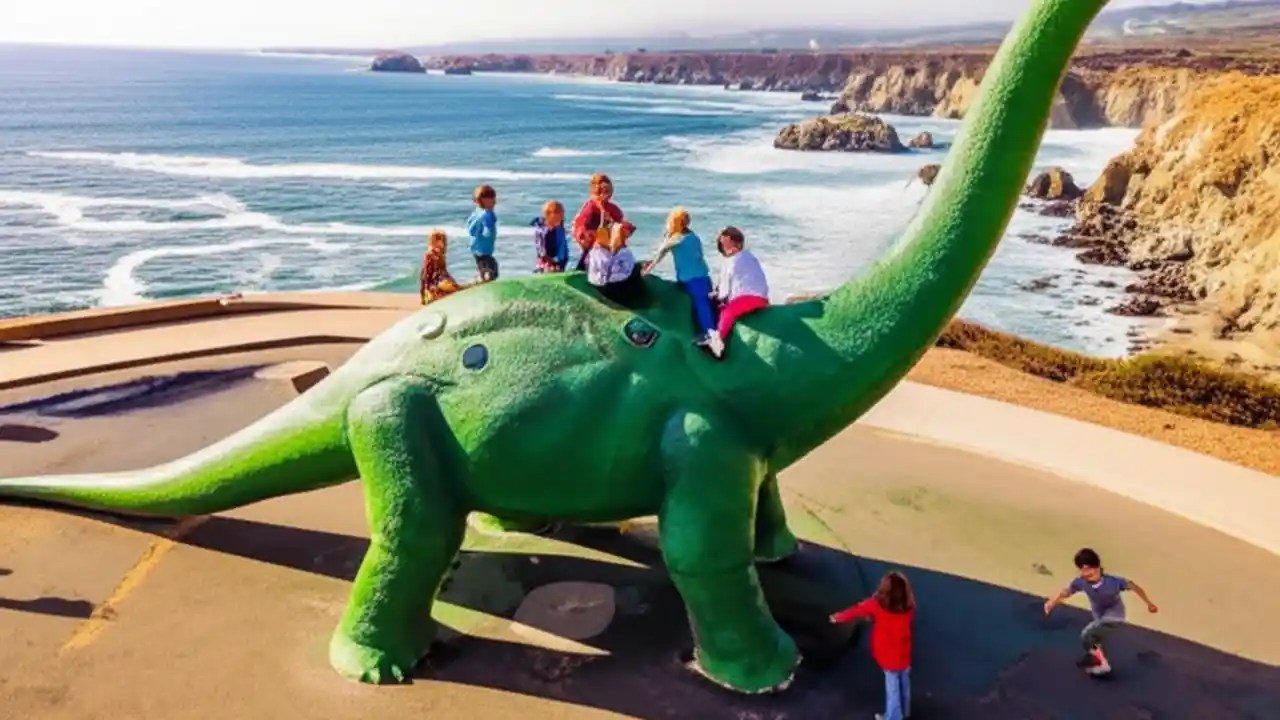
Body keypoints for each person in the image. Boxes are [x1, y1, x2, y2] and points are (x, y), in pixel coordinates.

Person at [1044, 548, 1158, 675]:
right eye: (1081, 570)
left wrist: (1149, 603)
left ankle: (1104, 665)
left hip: (1115, 617)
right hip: (1099, 616)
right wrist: (1052, 602)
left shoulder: (1113, 582)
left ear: (1097, 567)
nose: (1085, 573)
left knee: (1086, 635)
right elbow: (1066, 592)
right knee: (1096, 640)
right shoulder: (1081, 582)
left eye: (1088, 569)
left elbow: (1134, 587)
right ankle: (1095, 658)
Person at [830, 572, 915, 720]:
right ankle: (905, 711)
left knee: (892, 690)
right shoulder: (909, 608)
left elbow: (856, 610)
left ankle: (894, 717)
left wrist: (837, 617)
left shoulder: (876, 605)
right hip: (904, 653)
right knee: (904, 682)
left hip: (888, 657)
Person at [643, 207, 721, 357]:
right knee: (705, 306)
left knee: (702, 306)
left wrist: (647, 270)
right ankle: (712, 334)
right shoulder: (693, 236)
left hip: (693, 279)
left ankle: (711, 338)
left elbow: (660, 254)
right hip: (703, 276)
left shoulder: (676, 239)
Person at [713, 226, 769, 352]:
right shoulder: (750, 256)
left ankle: (718, 341)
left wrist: (718, 296)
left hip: (748, 297)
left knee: (727, 312)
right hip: (762, 297)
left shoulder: (732, 261)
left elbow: (725, 288)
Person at [571, 173, 624, 271]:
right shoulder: (590, 208)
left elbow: (620, 227)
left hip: (608, 247)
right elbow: (580, 228)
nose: (604, 195)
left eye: (607, 191)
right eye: (601, 192)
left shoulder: (613, 209)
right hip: (594, 246)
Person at [587, 222, 644, 305]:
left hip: (599, 284)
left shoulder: (597, 251)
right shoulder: (622, 252)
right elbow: (616, 273)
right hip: (612, 287)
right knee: (637, 268)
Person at [419, 230, 464, 304]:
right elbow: (425, 274)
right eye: (440, 239)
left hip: (441, 281)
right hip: (434, 285)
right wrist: (424, 291)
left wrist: (453, 282)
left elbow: (444, 272)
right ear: (433, 241)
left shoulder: (440, 254)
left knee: (454, 286)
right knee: (450, 287)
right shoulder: (430, 255)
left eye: (444, 240)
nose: (443, 242)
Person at [467, 184, 499, 282]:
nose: (494, 201)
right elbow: (476, 229)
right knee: (489, 270)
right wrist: (487, 231)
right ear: (481, 201)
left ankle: (480, 279)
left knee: (490, 267)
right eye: (491, 199)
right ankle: (480, 281)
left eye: (494, 198)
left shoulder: (480, 212)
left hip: (481, 249)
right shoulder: (485, 214)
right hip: (481, 250)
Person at [531, 200, 569, 273]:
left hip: (561, 262)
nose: (563, 217)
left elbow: (564, 247)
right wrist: (552, 262)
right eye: (560, 214)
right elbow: (541, 250)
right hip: (548, 264)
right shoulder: (542, 231)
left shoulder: (559, 228)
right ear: (549, 214)